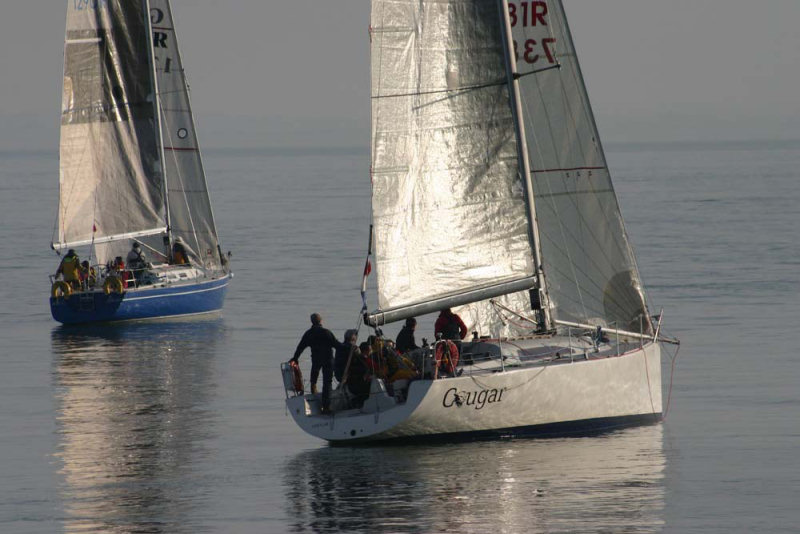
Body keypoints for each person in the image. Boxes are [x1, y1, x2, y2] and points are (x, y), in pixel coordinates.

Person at [290, 313, 344, 414]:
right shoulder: (326, 332)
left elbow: (300, 347)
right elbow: (337, 345)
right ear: (321, 321)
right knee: (327, 383)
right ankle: (326, 406)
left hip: (316, 360)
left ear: (312, 322)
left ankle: (314, 394)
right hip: (328, 360)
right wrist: (348, 347)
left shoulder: (308, 334)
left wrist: (295, 358)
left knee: (313, 379)